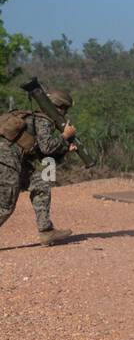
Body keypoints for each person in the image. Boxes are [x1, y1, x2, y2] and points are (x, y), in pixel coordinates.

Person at [0, 88, 76, 244]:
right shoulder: (44, 120)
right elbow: (47, 147)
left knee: (40, 185)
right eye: (65, 109)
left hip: (14, 160)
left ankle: (46, 231)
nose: (65, 113)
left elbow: (42, 154)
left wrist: (64, 148)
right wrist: (64, 136)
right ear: (59, 107)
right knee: (6, 206)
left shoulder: (35, 117)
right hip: (7, 159)